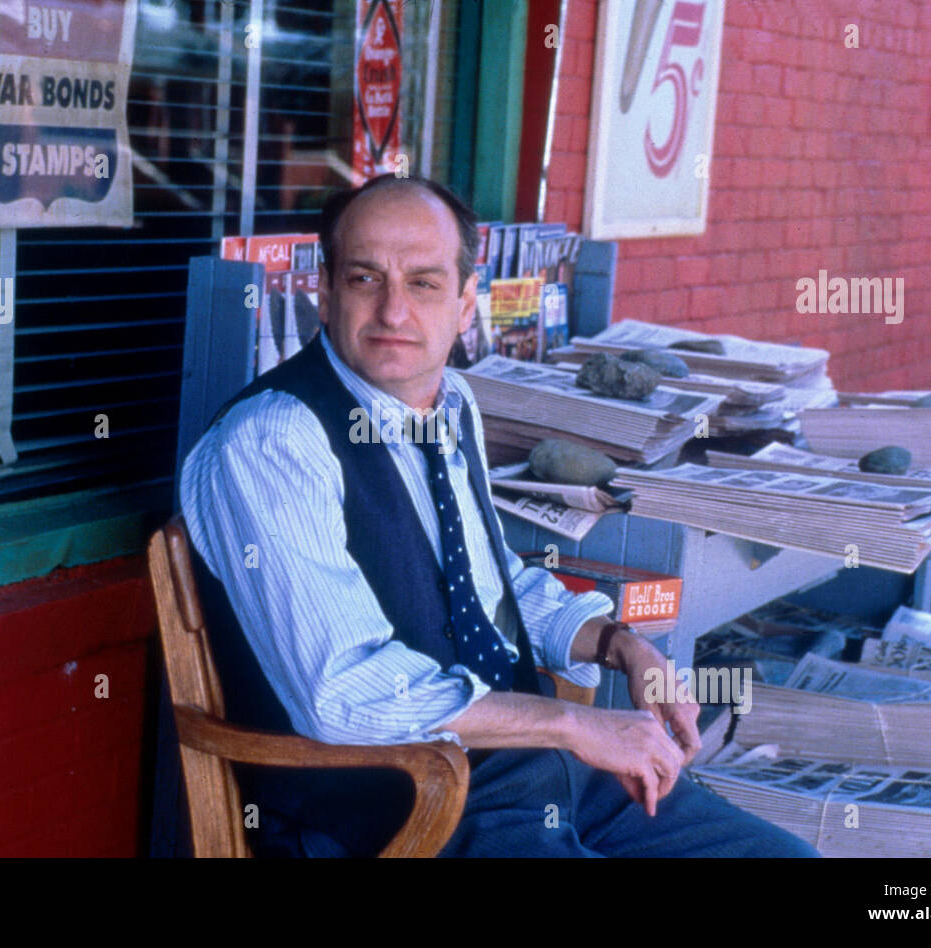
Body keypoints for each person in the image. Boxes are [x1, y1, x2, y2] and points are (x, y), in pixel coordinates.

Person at [179, 174, 820, 858]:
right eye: (367, 278)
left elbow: (487, 585)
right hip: (407, 811)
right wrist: (570, 724)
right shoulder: (274, 441)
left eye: (424, 283)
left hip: (534, 771)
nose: (394, 311)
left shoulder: (450, 403)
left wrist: (620, 645)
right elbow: (344, 694)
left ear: (463, 303)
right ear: (326, 292)